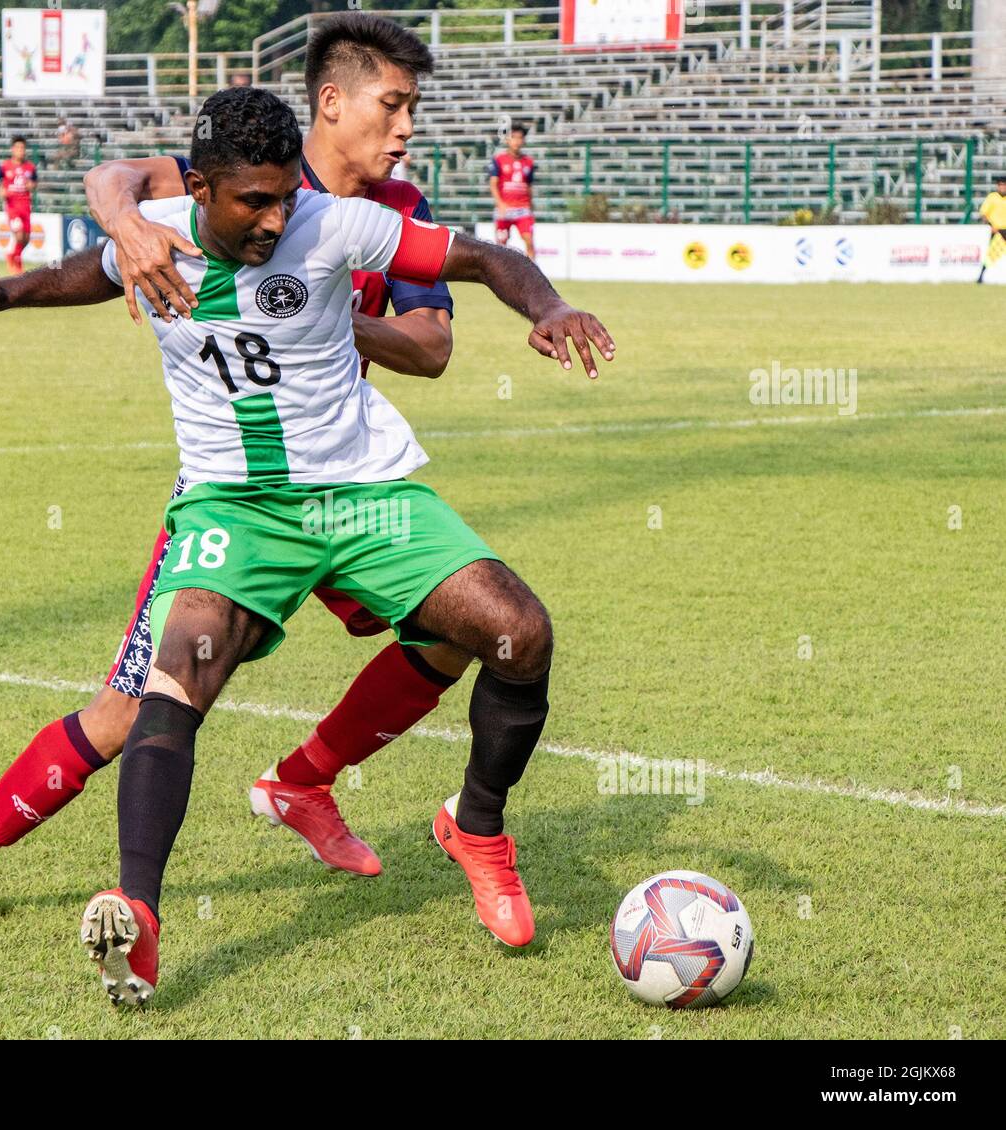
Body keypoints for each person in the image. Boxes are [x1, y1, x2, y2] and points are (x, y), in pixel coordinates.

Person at [52, 86, 605, 1005]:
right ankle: (139, 912)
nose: (276, 217)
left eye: (283, 199)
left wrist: (545, 306)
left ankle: (477, 825)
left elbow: (481, 255)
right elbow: (87, 268)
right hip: (235, 508)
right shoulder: (154, 229)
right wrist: (5, 292)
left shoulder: (336, 222)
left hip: (360, 494)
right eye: (254, 203)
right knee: (177, 670)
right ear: (201, 189)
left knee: (517, 631)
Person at [0, 14, 466, 935]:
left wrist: (313, 318)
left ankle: (302, 783)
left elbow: (433, 347)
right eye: (394, 104)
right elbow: (112, 181)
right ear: (329, 107)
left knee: (461, 632)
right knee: (132, 711)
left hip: (348, 486)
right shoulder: (217, 172)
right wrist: (125, 228)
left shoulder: (396, 213)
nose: (407, 126)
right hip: (238, 499)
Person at [489, 123, 536, 261]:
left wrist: (530, 206)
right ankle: (500, 278)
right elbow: (493, 184)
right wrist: (500, 204)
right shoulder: (499, 159)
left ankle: (532, 277)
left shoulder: (529, 162)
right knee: (500, 246)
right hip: (505, 209)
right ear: (508, 140)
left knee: (529, 241)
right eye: (513, 137)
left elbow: (529, 186)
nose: (516, 141)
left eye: (519, 138)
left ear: (523, 140)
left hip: (523, 209)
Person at [0, 136, 37, 274]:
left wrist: (31, 185)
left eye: (22, 148)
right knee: (19, 235)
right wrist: (0, 190)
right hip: (13, 206)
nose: (20, 151)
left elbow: (34, 182)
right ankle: (16, 262)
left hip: (26, 206)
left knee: (27, 238)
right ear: (13, 149)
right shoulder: (5, 166)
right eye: (17, 148)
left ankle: (13, 255)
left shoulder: (30, 167)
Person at [976, 174, 1006, 285]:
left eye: (1004, 185)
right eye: (1000, 185)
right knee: (991, 255)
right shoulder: (992, 197)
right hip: (997, 231)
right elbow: (983, 214)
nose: (1002, 187)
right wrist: (990, 225)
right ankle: (981, 277)